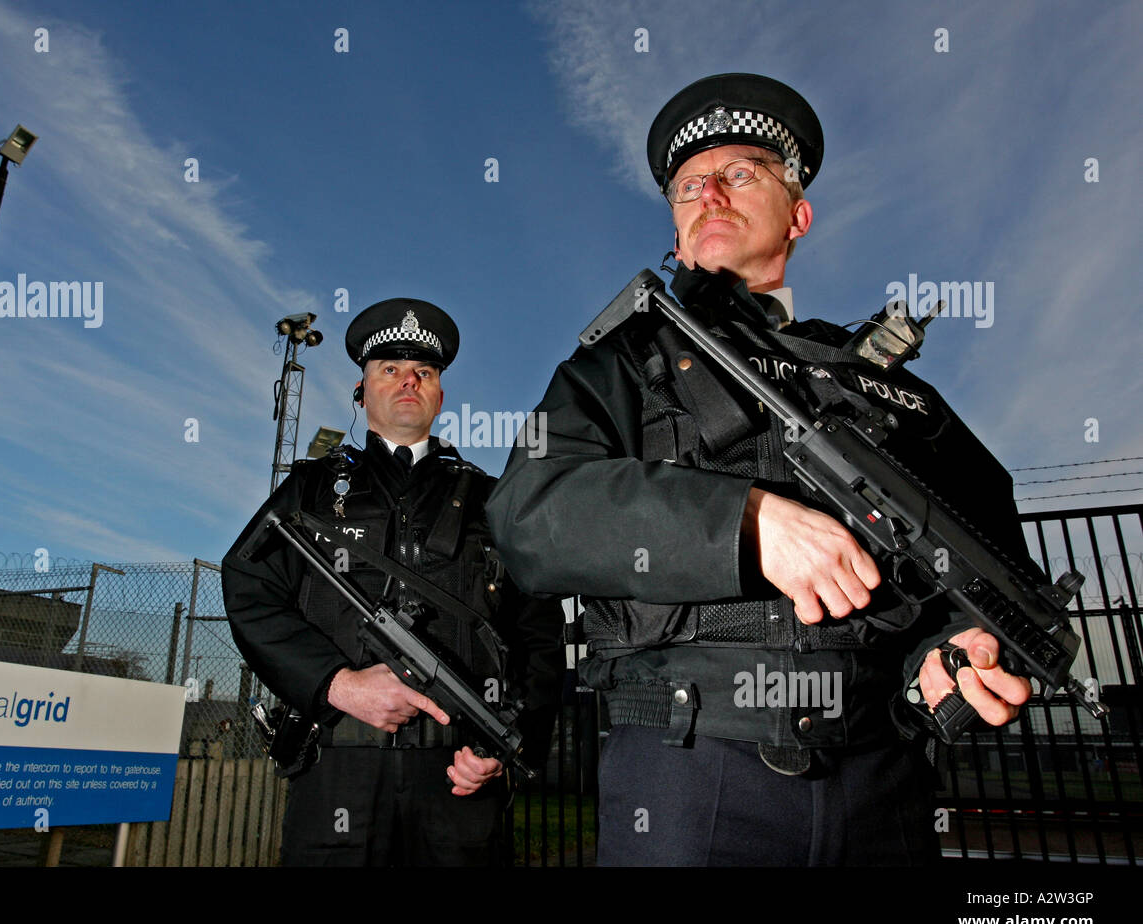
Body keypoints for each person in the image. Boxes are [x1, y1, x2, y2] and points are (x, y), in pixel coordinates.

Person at [485, 73, 1034, 865]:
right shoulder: (618, 366)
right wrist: (745, 522)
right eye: (686, 186)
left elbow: (989, 557)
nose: (709, 192)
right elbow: (528, 512)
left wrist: (956, 650)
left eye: (739, 173)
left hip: (884, 777)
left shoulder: (892, 391)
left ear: (798, 214)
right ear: (675, 235)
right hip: (688, 771)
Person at [222, 297, 564, 866]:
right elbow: (249, 589)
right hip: (339, 766)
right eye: (391, 370)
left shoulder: (490, 500)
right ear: (362, 390)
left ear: (439, 396)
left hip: (459, 776)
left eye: (423, 373)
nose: (409, 381)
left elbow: (539, 631)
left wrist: (507, 744)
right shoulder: (310, 490)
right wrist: (338, 684)